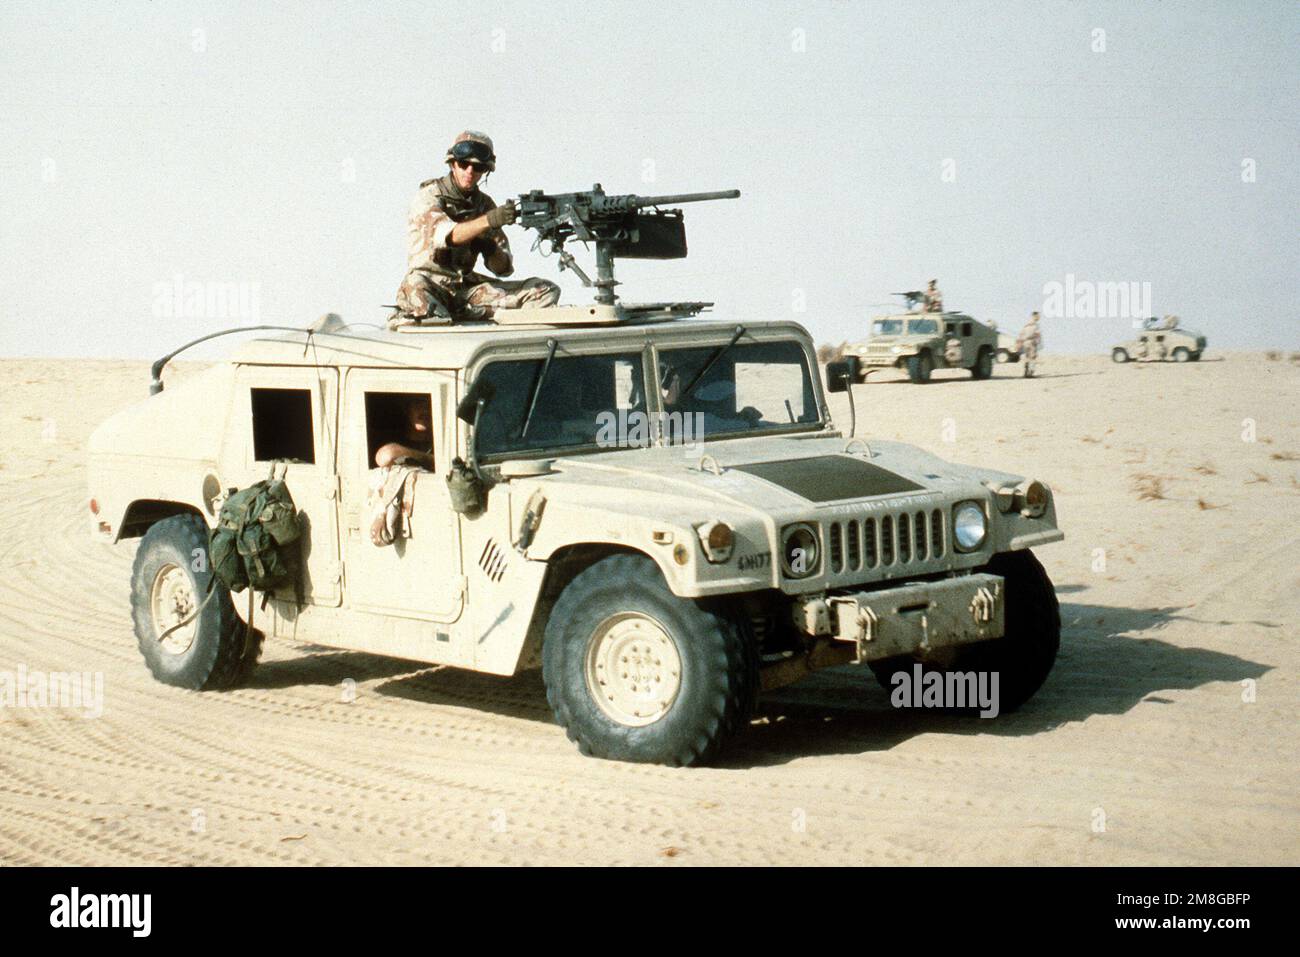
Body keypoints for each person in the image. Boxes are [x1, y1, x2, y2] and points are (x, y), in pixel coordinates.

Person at [392, 130, 560, 326]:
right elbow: (448, 235)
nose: (470, 171)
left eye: (478, 167)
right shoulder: (429, 196)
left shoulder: (484, 205)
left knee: (543, 290)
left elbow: (503, 268)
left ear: (485, 170)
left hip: (466, 291)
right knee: (416, 291)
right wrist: (488, 221)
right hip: (431, 286)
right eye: (464, 164)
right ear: (453, 164)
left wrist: (490, 247)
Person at [375, 397, 434, 470]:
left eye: (429, 404)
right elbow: (387, 455)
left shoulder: (445, 444)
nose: (425, 410)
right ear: (406, 409)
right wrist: (431, 460)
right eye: (418, 404)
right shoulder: (396, 442)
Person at [1017, 311, 1042, 378]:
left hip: (1025, 342)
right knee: (1032, 358)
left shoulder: (1026, 325)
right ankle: (1030, 373)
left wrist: (1020, 343)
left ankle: (1025, 373)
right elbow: (1038, 334)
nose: (1039, 317)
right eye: (1038, 316)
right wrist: (1038, 342)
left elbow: (1021, 334)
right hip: (1032, 342)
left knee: (1027, 357)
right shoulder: (1035, 325)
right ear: (1035, 316)